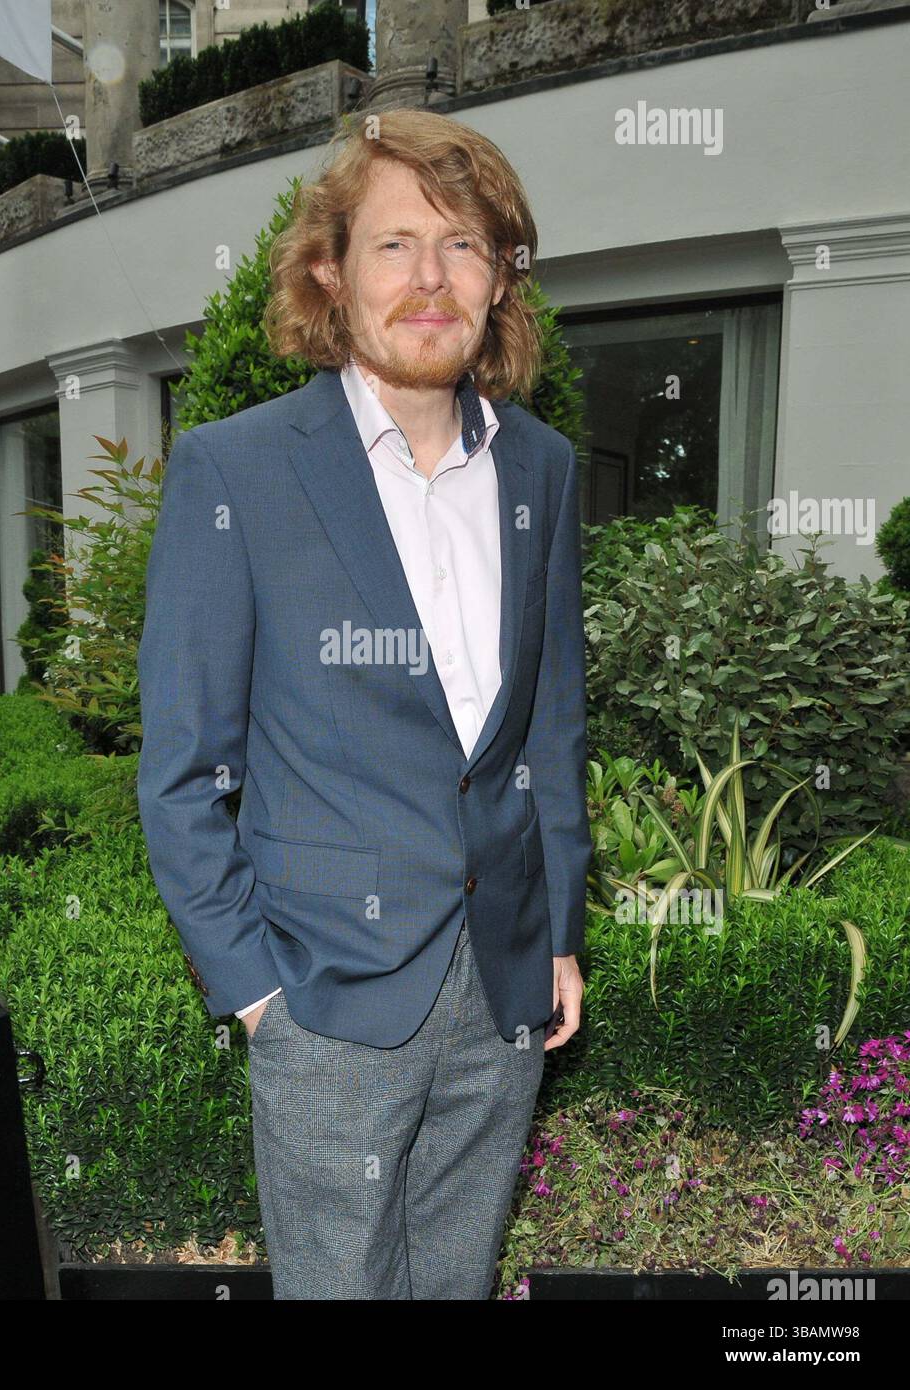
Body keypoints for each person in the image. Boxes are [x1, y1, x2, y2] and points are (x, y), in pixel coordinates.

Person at [137, 107, 591, 1299]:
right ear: (331, 272)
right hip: (325, 997)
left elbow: (549, 726)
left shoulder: (541, 468)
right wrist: (257, 995)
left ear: (501, 281)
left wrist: (559, 932)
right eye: (395, 245)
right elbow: (185, 770)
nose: (430, 279)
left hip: (503, 985)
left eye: (465, 246)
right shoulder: (236, 471)